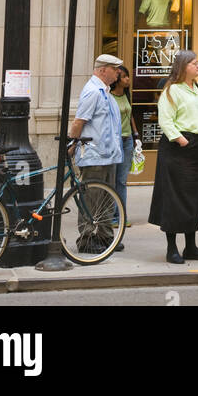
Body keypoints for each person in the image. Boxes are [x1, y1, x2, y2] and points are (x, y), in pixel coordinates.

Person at [149, 49, 198, 264]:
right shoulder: (172, 90)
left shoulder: (197, 87)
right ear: (183, 66)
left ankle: (191, 247)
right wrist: (181, 140)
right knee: (175, 200)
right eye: (194, 63)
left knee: (194, 200)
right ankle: (172, 249)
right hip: (179, 153)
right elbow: (166, 121)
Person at [68, 53, 124, 250]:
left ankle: (106, 237)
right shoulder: (93, 91)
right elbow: (79, 122)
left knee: (107, 199)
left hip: (107, 155)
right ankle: (86, 240)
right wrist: (71, 144)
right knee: (91, 200)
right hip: (94, 155)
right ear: (102, 70)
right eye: (114, 69)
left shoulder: (104, 91)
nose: (118, 72)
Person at [110, 64, 141, 226]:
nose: (128, 79)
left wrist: (135, 135)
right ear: (117, 80)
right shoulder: (109, 97)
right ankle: (111, 215)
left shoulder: (126, 95)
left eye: (128, 76)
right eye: (124, 77)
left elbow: (130, 116)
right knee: (111, 179)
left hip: (127, 140)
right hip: (114, 141)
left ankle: (121, 215)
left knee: (121, 180)